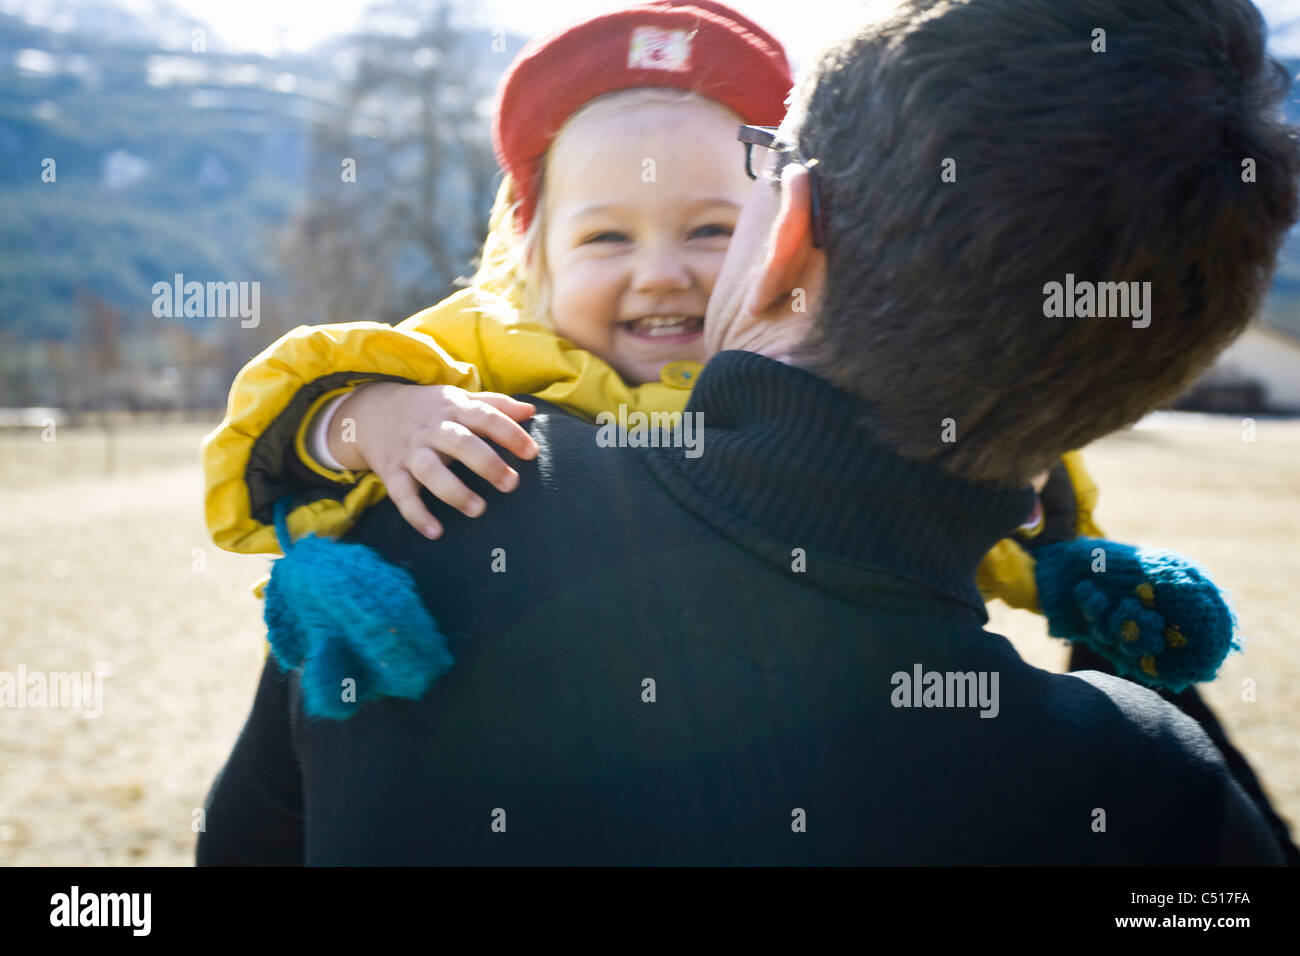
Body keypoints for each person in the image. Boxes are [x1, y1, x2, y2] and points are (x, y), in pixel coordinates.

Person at [198, 0, 1299, 864]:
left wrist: (1075, 569)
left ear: (783, 235)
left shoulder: (448, 544)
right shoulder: (1158, 794)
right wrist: (361, 417)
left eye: (714, 224)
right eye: (607, 237)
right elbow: (304, 400)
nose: (662, 274)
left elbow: (249, 843)